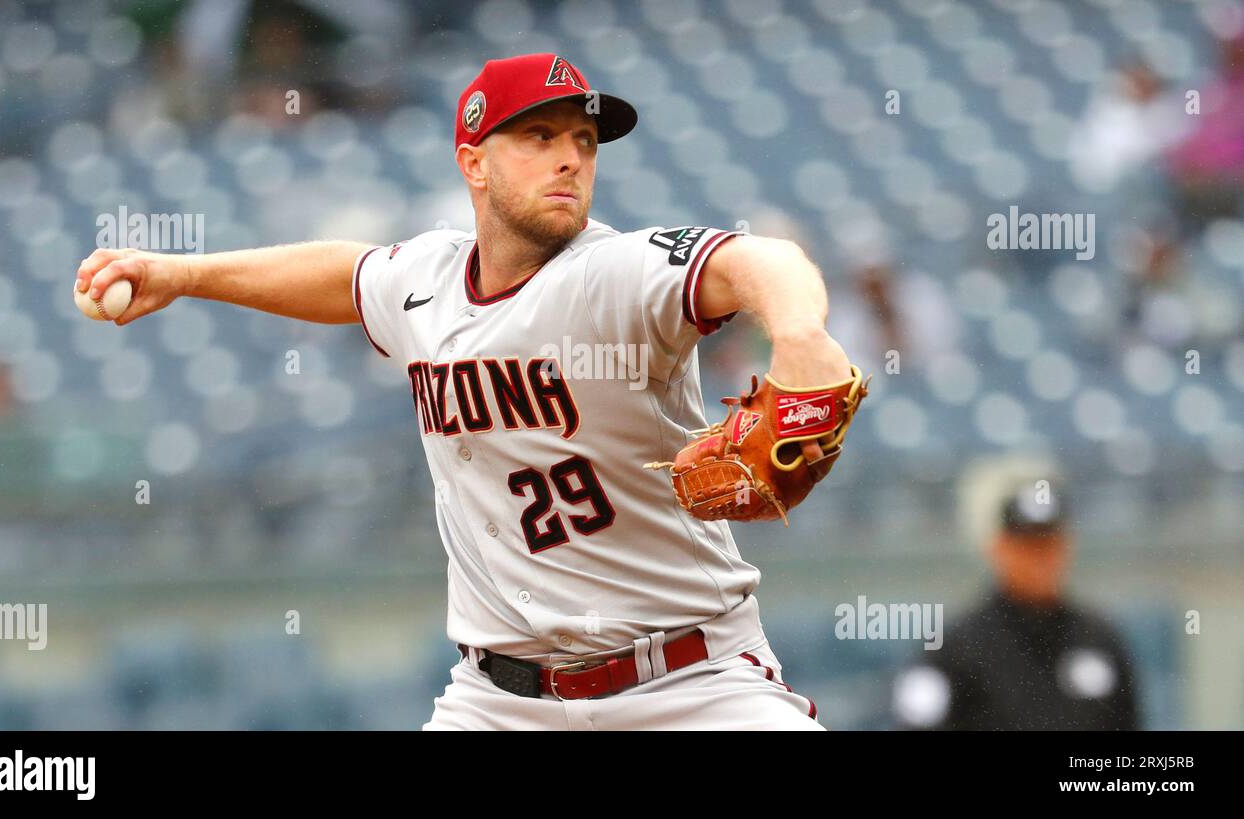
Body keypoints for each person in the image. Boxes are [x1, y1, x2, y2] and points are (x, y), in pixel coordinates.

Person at [74, 53, 855, 730]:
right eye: (539, 136)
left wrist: (799, 334)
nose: (571, 159)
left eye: (584, 141)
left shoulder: (614, 274)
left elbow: (760, 259)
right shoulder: (428, 280)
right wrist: (184, 273)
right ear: (474, 161)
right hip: (500, 700)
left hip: (688, 684)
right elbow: (345, 277)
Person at [892, 474, 1140, 731]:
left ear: (1068, 546)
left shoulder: (1100, 640)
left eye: (1048, 544)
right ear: (998, 548)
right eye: (1027, 545)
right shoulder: (952, 647)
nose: (1039, 558)